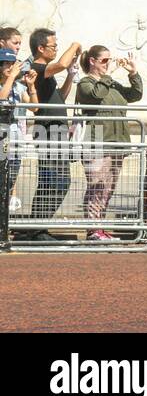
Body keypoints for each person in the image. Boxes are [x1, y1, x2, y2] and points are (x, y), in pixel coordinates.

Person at [75, 47, 143, 241]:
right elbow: (94, 96)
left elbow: (134, 95)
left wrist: (133, 73)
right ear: (92, 62)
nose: (108, 63)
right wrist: (108, 75)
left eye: (109, 60)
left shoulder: (111, 84)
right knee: (97, 185)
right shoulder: (85, 83)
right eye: (104, 60)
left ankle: (100, 227)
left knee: (108, 187)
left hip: (118, 141)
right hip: (97, 141)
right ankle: (93, 230)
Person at [26, 28, 82, 240]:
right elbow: (61, 63)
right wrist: (74, 45)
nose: (56, 49)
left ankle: (38, 228)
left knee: (57, 180)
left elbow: (60, 96)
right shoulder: (38, 67)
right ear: (41, 48)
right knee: (54, 180)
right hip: (48, 131)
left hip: (56, 130)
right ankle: (37, 230)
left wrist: (70, 77)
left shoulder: (46, 74)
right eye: (53, 46)